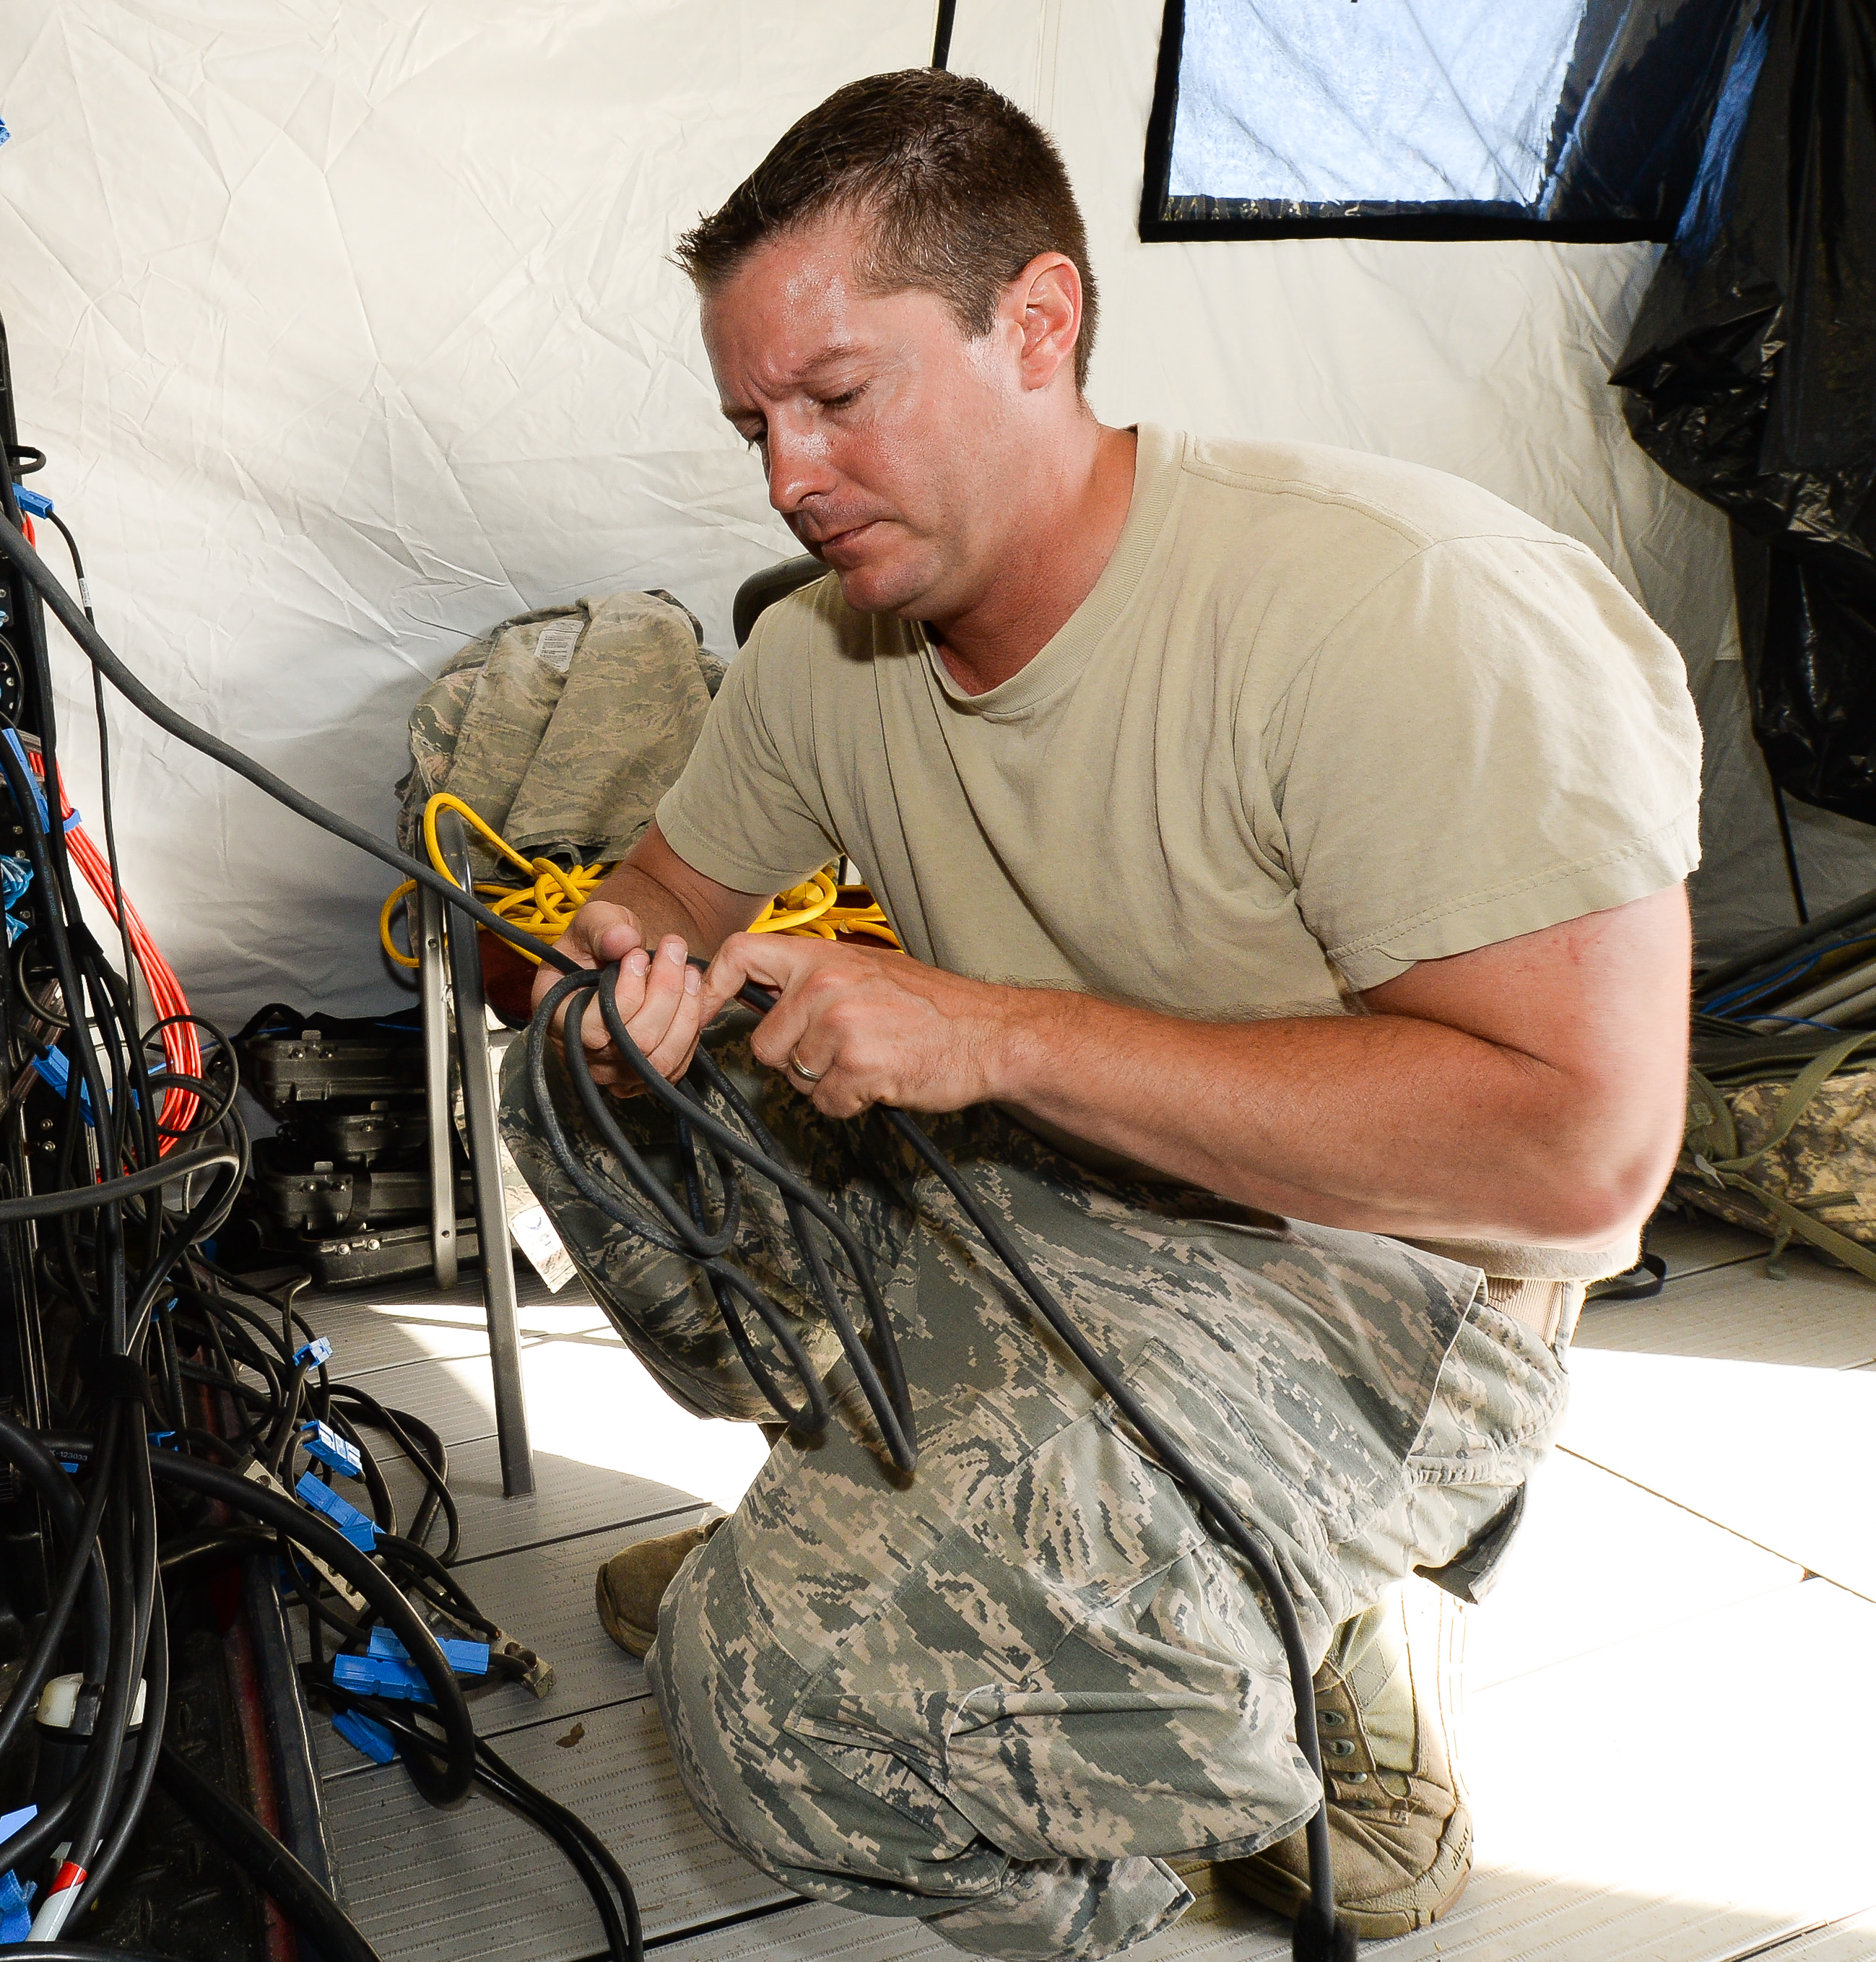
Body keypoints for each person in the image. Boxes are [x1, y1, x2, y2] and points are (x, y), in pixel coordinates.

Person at [503, 69, 1700, 1961]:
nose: (786, 477)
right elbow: (650, 906)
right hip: (1046, 1180)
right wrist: (611, 997)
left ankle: (1285, 1633)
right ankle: (875, 1512)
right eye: (752, 425)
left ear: (1035, 325)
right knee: (577, 1094)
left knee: (779, 1708)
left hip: (1379, 1280)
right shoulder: (830, 644)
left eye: (835, 397)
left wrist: (987, 1036)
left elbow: (1574, 1166)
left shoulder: (1394, 613)